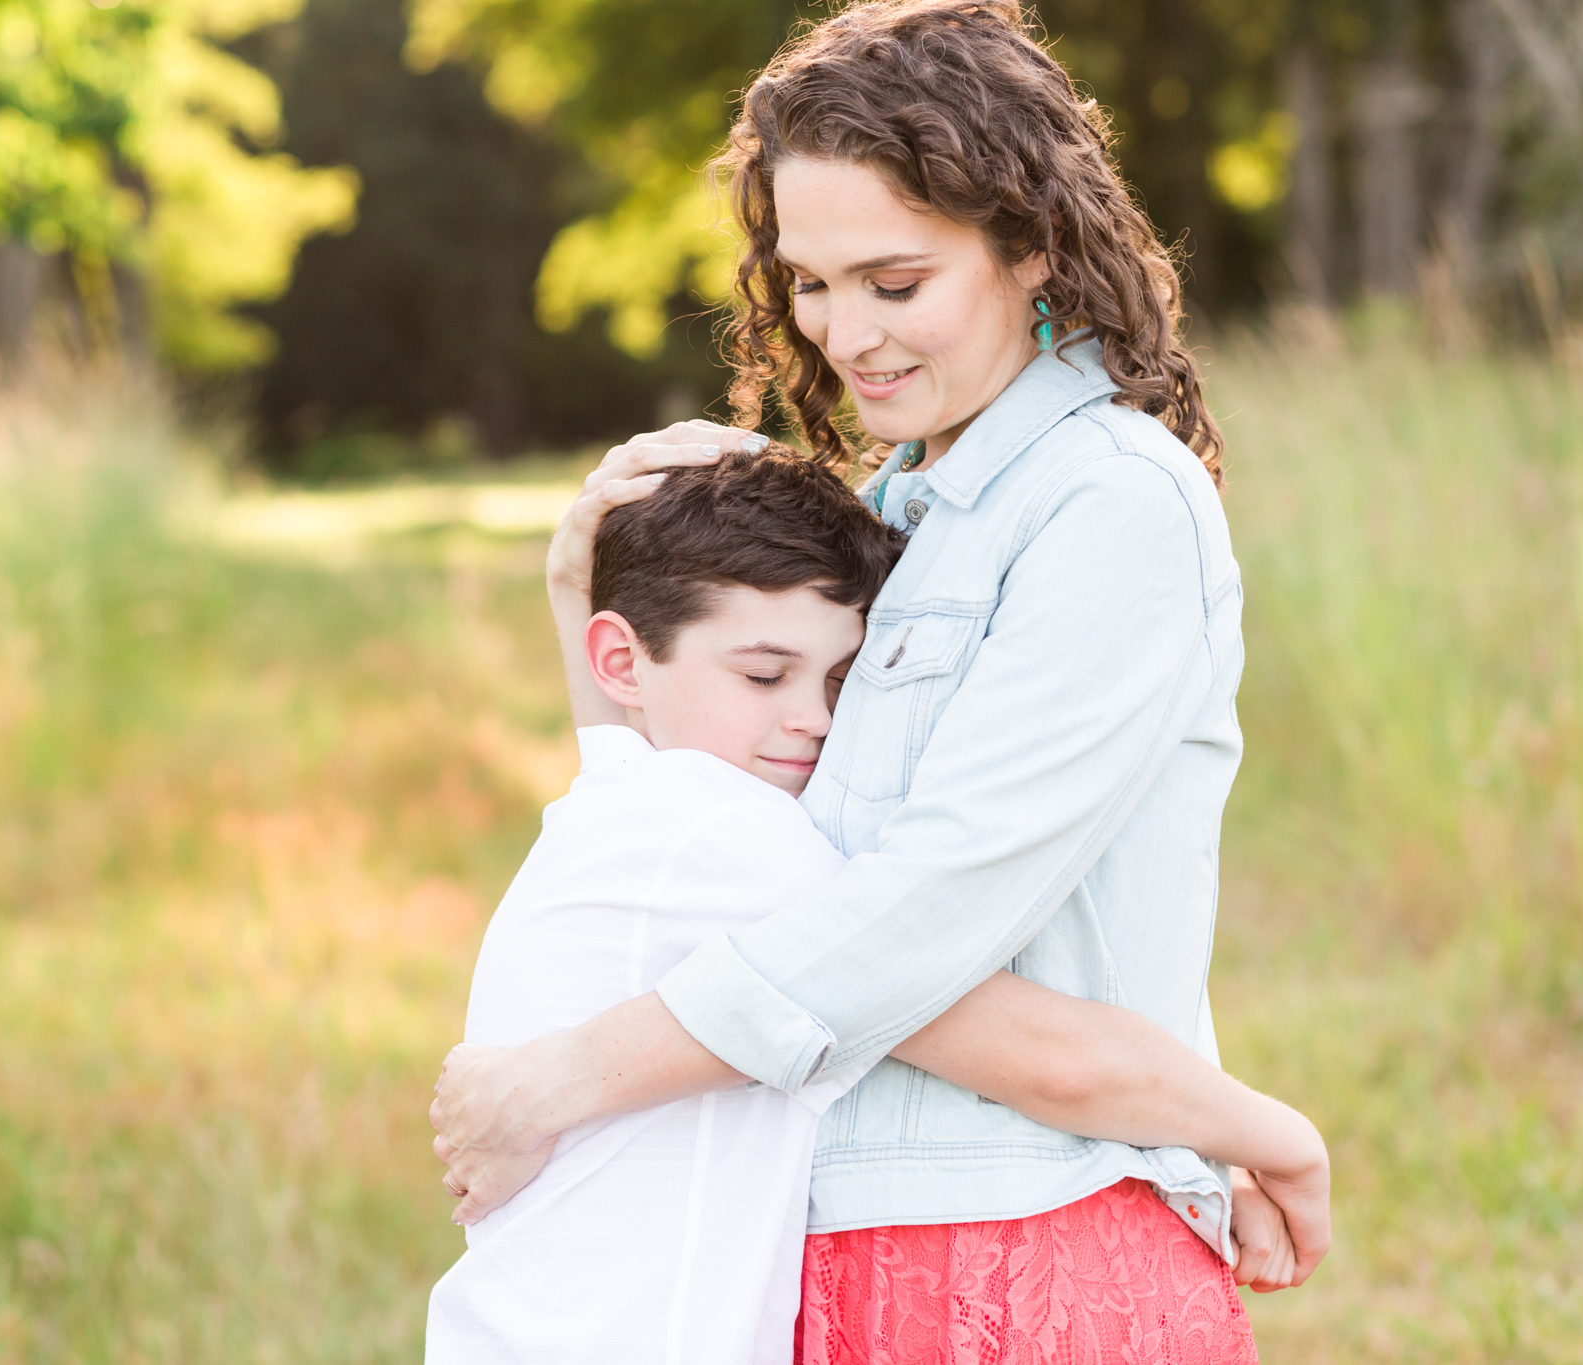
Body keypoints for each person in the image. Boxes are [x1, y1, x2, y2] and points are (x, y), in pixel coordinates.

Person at [430, 3, 1331, 1360]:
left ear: (1029, 246)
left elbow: (914, 920)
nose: (847, 333)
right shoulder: (894, 511)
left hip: (1027, 1240)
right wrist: (584, 605)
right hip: (828, 1236)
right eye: (810, 283)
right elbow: (720, 836)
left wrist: (568, 1077)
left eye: (894, 283)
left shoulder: (1107, 504)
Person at [424, 449, 1326, 1364]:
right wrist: (1273, 1135)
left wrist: (574, 579)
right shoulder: (719, 834)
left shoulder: (625, 809)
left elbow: (628, 702)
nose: (814, 717)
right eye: (765, 675)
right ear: (619, 655)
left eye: (840, 681)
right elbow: (1043, 1055)